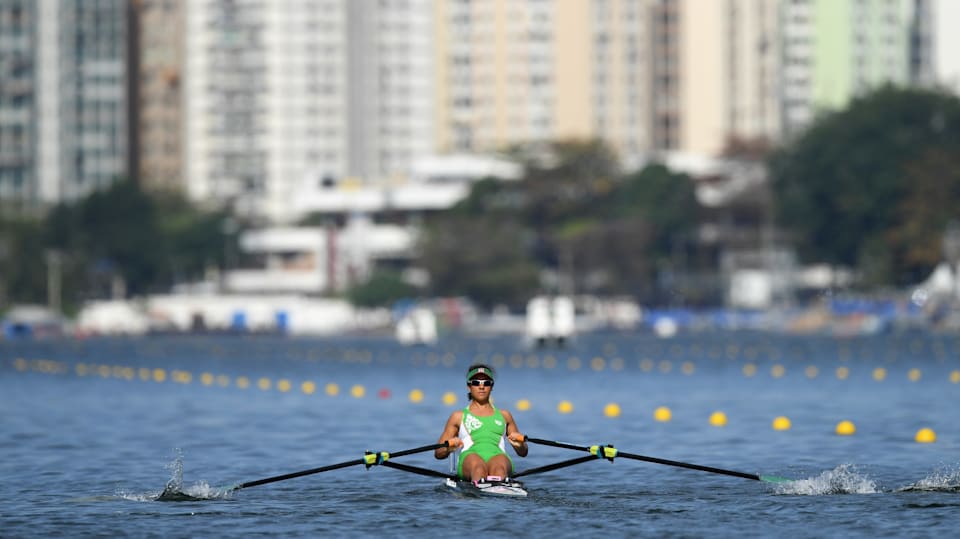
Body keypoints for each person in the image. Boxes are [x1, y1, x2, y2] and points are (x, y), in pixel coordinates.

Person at [435, 363, 528, 483]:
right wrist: (448, 447)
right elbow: (438, 453)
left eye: (486, 383)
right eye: (476, 383)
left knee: (499, 469)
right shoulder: (458, 416)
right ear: (469, 386)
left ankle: (497, 488)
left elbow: (523, 453)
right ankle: (479, 493)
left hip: (497, 455)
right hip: (470, 456)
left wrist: (520, 446)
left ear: (491, 386)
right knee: (478, 468)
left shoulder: (505, 416)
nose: (481, 386)